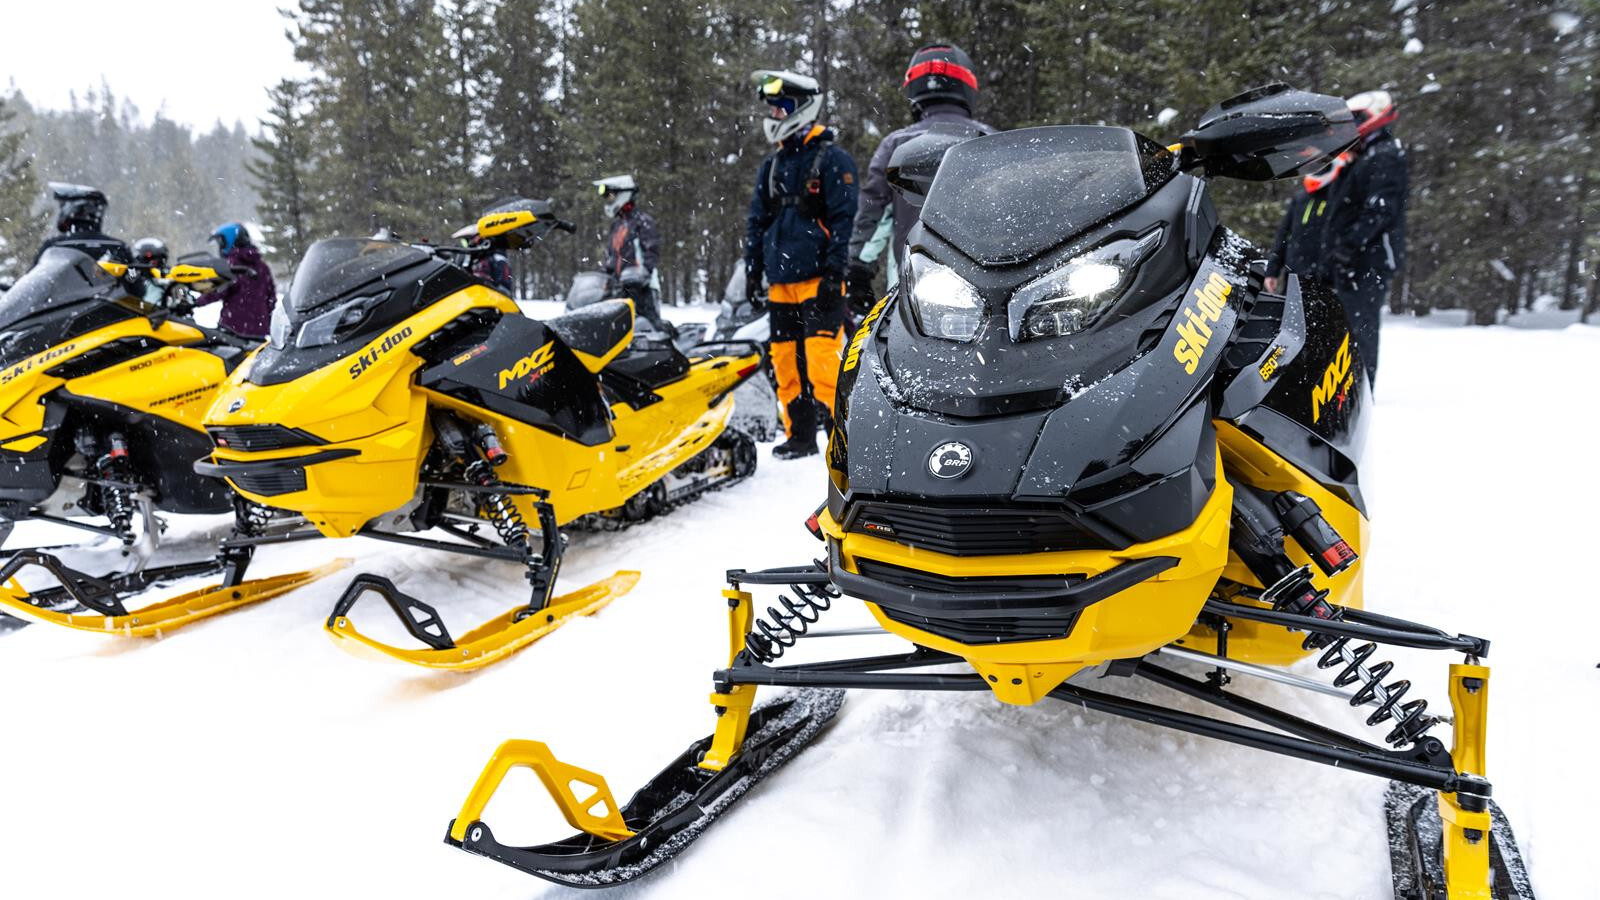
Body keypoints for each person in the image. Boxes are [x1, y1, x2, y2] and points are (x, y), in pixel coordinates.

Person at [745, 69, 858, 460]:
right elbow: (756, 221)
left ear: (801, 108)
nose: (774, 115)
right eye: (773, 109)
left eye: (780, 108)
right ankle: (800, 435)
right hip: (780, 281)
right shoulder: (771, 166)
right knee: (785, 363)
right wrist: (751, 270)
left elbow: (845, 220)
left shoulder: (832, 159)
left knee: (822, 362)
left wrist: (835, 272)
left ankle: (843, 443)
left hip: (818, 280)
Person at [1266, 90, 1407, 385]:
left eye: (1357, 118)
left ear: (1376, 116)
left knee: (1359, 331)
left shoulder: (1385, 155)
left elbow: (1379, 211)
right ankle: (1338, 388)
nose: (1352, 125)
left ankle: (1361, 389)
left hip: (1365, 262)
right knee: (1338, 332)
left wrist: (1348, 245)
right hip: (1344, 263)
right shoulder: (1364, 156)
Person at [846, 44, 993, 315]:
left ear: (914, 88)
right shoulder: (992, 141)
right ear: (967, 86)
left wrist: (859, 268)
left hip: (913, 282)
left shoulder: (896, 143)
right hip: (985, 284)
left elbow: (875, 212)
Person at [593, 174, 670, 334]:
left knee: (649, 329)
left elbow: (652, 250)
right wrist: (604, 276)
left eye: (610, 196)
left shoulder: (642, 221)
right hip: (619, 288)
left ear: (623, 194)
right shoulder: (618, 224)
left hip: (642, 289)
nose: (608, 200)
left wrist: (642, 273)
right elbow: (612, 256)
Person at [193, 223, 274, 338]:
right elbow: (271, 298)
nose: (220, 248)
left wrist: (195, 302)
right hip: (259, 332)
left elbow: (217, 291)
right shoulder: (262, 267)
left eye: (221, 243)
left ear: (230, 241)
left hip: (233, 331)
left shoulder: (231, 267)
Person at [33, 183, 128, 268]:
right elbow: (134, 281)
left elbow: (31, 282)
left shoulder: (53, 247)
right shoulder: (118, 247)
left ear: (72, 209)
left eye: (62, 206)